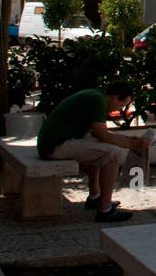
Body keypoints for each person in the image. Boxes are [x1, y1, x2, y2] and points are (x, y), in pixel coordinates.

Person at [36, 80, 150, 222]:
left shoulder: (97, 96)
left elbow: (99, 135)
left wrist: (129, 140)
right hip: (56, 145)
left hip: (52, 142)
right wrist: (132, 145)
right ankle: (105, 209)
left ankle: (95, 197)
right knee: (113, 153)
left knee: (99, 147)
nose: (120, 110)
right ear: (115, 97)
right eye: (121, 105)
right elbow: (103, 135)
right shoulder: (97, 101)